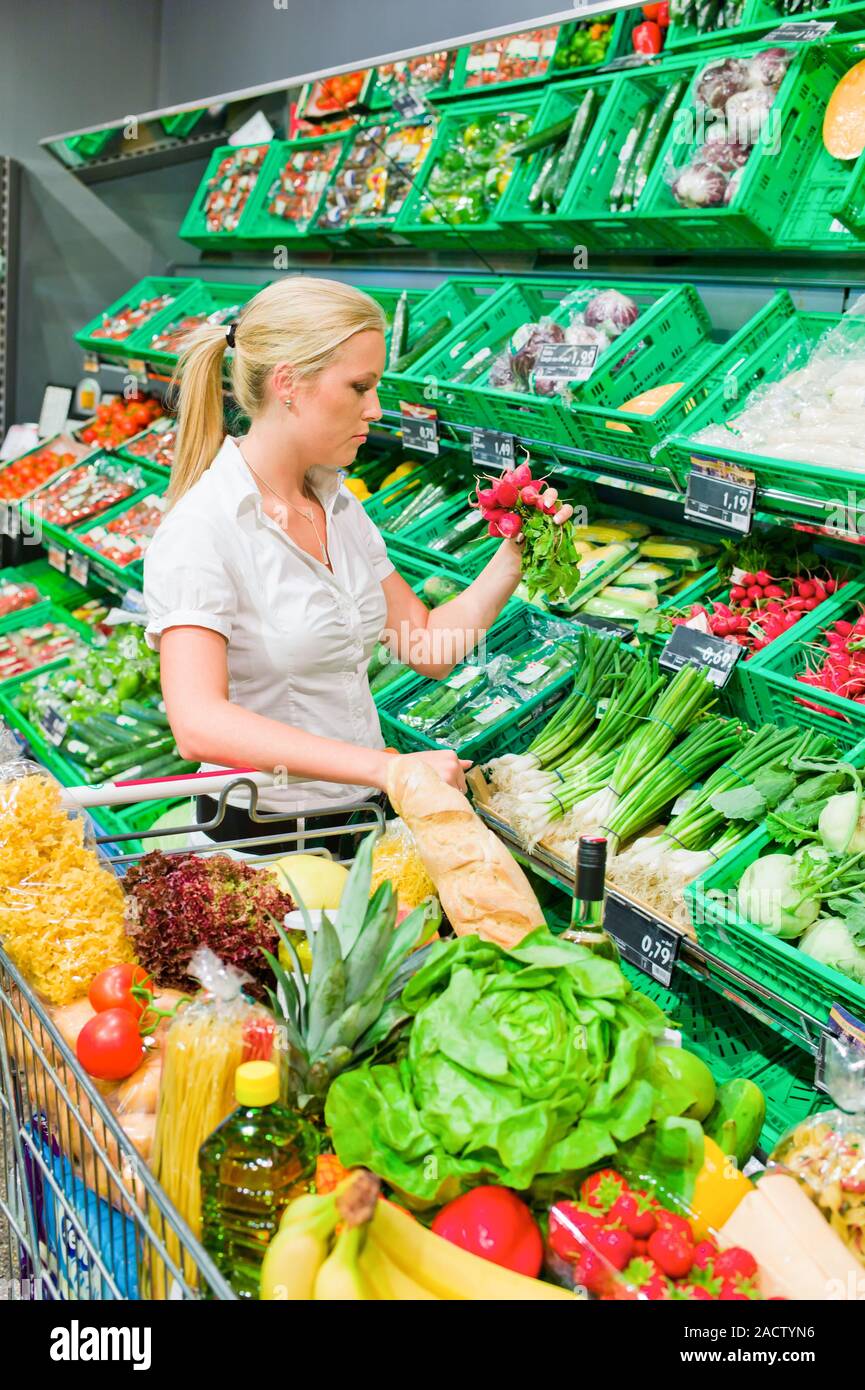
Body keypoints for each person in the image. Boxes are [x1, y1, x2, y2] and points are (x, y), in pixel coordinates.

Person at [143, 276, 571, 854]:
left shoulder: (339, 506)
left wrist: (515, 552)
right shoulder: (204, 530)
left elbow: (426, 647)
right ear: (289, 384)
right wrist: (384, 768)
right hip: (264, 836)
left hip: (361, 818)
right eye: (360, 386)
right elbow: (198, 723)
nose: (375, 407)